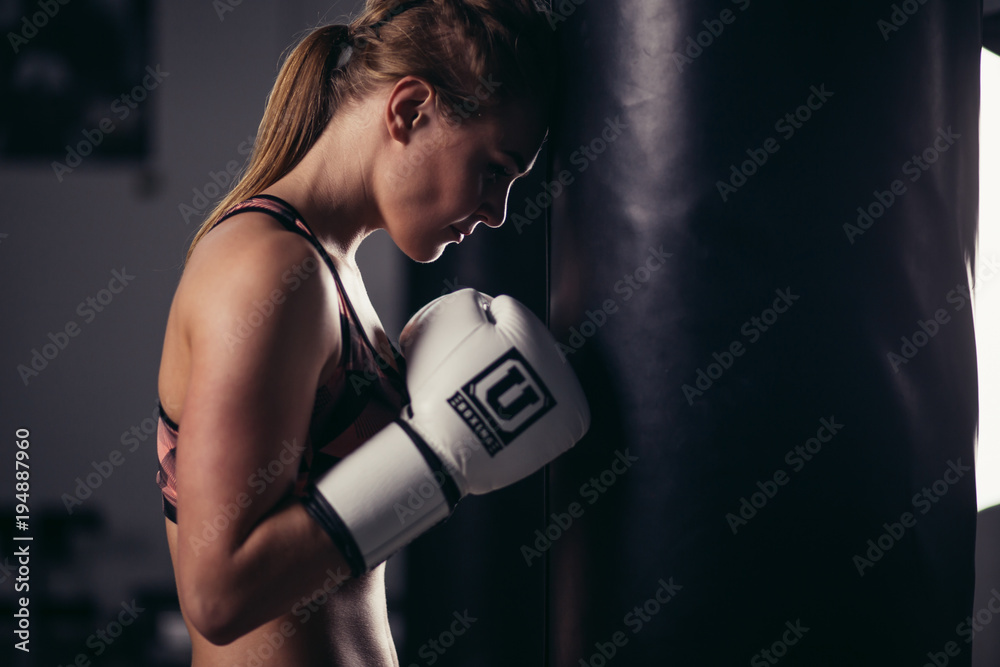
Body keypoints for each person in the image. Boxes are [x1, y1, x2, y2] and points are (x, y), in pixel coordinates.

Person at [154, 1, 586, 665]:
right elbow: (217, 595)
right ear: (410, 110)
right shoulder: (269, 269)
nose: (498, 214)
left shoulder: (328, 269)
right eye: (496, 169)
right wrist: (436, 459)